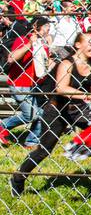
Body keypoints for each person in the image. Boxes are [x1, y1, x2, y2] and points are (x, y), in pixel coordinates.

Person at [10, 31, 91, 198]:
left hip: (77, 109)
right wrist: (86, 96)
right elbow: (61, 88)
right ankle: (18, 177)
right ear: (78, 45)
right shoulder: (66, 63)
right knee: (44, 150)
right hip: (57, 109)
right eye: (90, 43)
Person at [1, 16, 50, 150]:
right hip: (20, 83)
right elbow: (11, 58)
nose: (48, 29)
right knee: (30, 115)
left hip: (36, 84)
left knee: (40, 114)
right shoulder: (22, 39)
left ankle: (32, 142)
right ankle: (2, 126)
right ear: (36, 27)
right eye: (46, 26)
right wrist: (29, 44)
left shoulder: (43, 43)